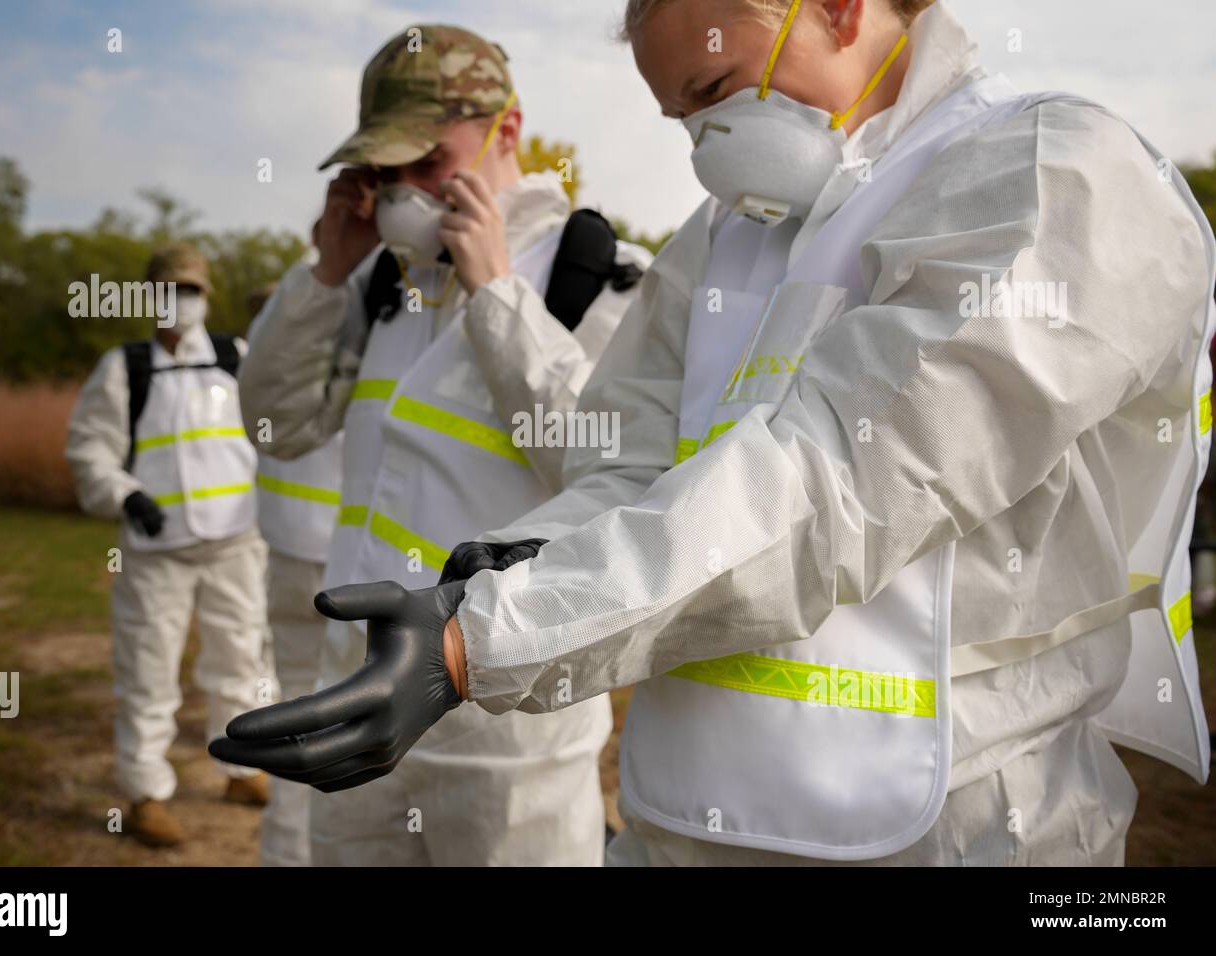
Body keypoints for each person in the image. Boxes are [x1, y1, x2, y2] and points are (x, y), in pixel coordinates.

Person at [216, 0, 1214, 866]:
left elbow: (840, 485)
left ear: (834, 6)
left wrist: (481, 642)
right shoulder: (725, 234)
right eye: (679, 115)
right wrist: (486, 580)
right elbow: (628, 468)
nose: (701, 139)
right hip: (683, 812)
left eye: (714, 87)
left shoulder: (1048, 173)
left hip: (957, 820)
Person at [236, 23, 652, 865]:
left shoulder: (599, 277)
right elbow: (276, 421)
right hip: (356, 691)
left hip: (506, 720)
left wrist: (498, 294)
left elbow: (607, 469)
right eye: (383, 175)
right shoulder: (381, 284)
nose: (401, 195)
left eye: (425, 166)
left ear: (507, 131)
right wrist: (326, 270)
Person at [67, 242, 271, 849]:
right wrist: (125, 494)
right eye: (170, 289)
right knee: (148, 668)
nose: (181, 301)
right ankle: (145, 793)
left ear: (207, 296)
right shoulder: (124, 368)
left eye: (192, 289)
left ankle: (241, 767)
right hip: (156, 552)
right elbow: (88, 449)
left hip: (237, 541)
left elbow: (276, 433)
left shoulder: (238, 358)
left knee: (241, 659)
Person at [247, 279, 346, 867]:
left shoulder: (276, 333)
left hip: (295, 548)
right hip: (344, 561)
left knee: (298, 717)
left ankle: (286, 853)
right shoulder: (377, 317)